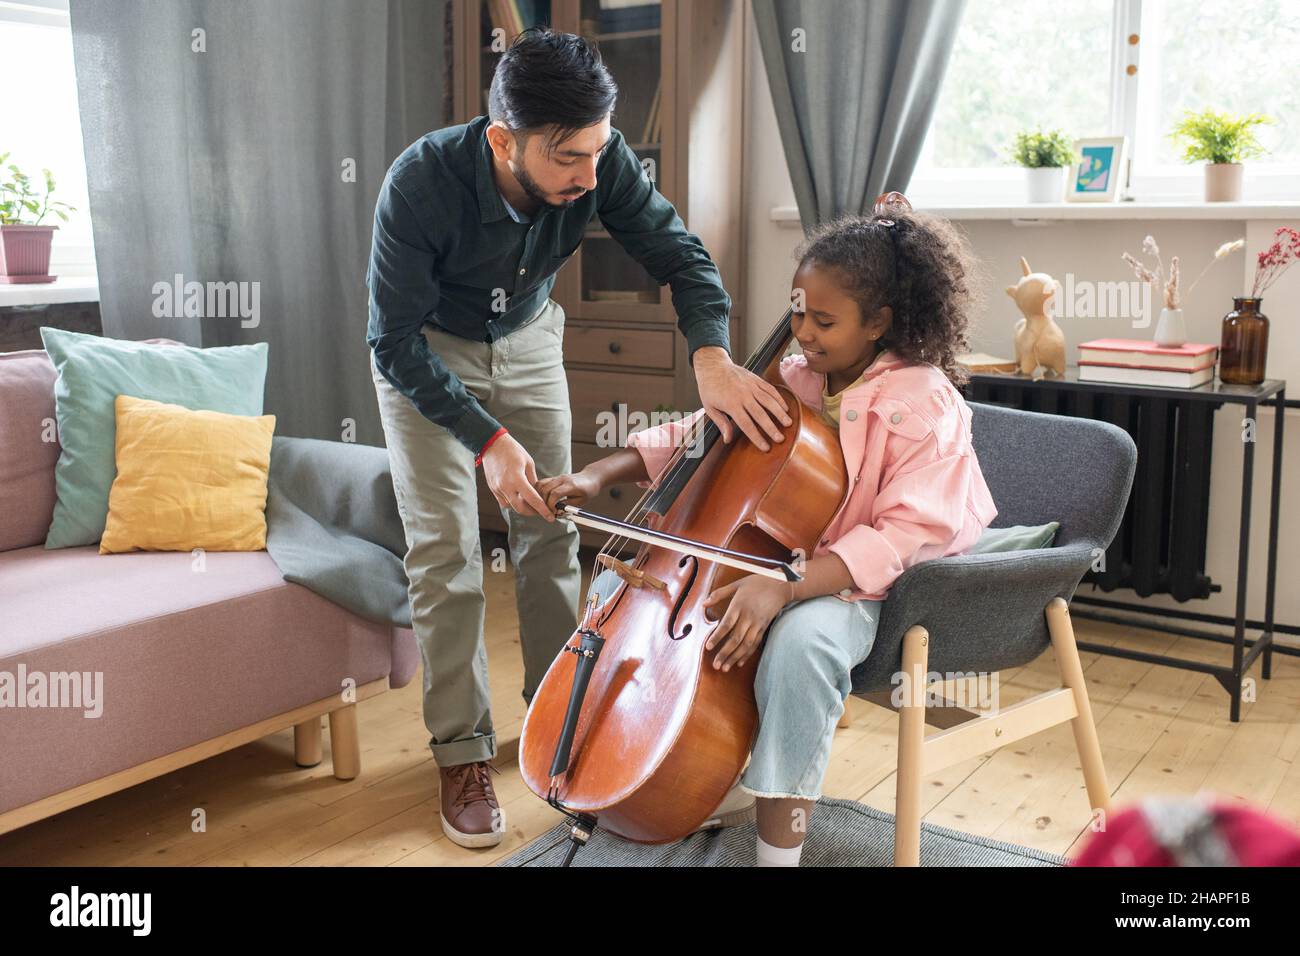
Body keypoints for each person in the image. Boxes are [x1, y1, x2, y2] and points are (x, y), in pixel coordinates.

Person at [366, 27, 787, 849]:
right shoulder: (418, 184)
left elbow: (684, 260)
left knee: (549, 535)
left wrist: (710, 356)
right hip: (427, 354)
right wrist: (487, 440)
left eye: (598, 152)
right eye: (567, 158)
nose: (590, 177)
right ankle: (463, 753)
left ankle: (564, 724)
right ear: (501, 141)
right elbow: (393, 341)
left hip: (527, 343)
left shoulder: (603, 160)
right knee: (446, 558)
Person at [538, 208, 1000, 866]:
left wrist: (784, 590)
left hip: (873, 588)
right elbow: (698, 437)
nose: (802, 332)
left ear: (882, 321)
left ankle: (777, 852)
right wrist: (595, 475)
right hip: (776, 566)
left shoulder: (925, 405)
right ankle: (668, 766)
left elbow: (902, 538)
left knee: (798, 645)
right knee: (619, 586)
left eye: (824, 321)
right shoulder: (793, 378)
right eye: (798, 312)